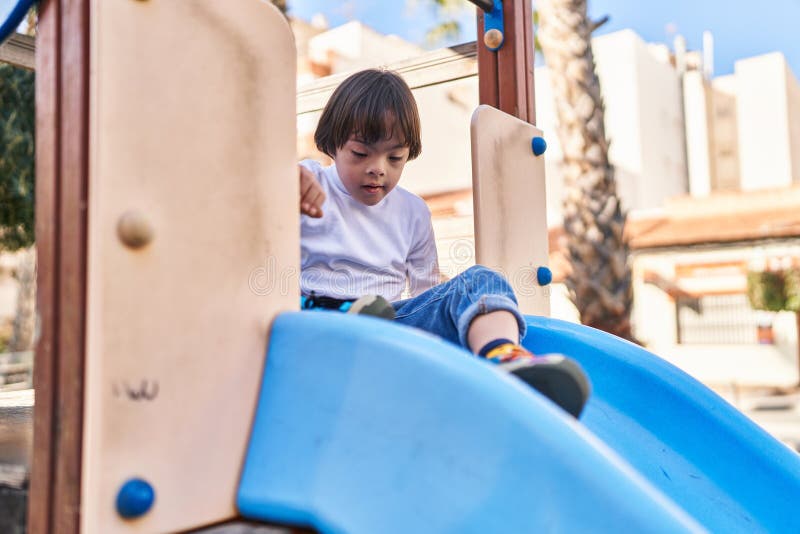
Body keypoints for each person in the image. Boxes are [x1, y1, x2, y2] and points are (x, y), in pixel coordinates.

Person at [298, 68, 589, 418]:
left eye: (394, 158)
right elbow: (259, 196)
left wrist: (448, 310)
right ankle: (350, 319)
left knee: (481, 281)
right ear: (332, 145)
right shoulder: (311, 181)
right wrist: (288, 180)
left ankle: (502, 356)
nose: (378, 169)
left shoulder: (412, 212)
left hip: (388, 320)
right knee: (289, 296)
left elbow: (425, 293)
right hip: (313, 318)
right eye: (360, 153)